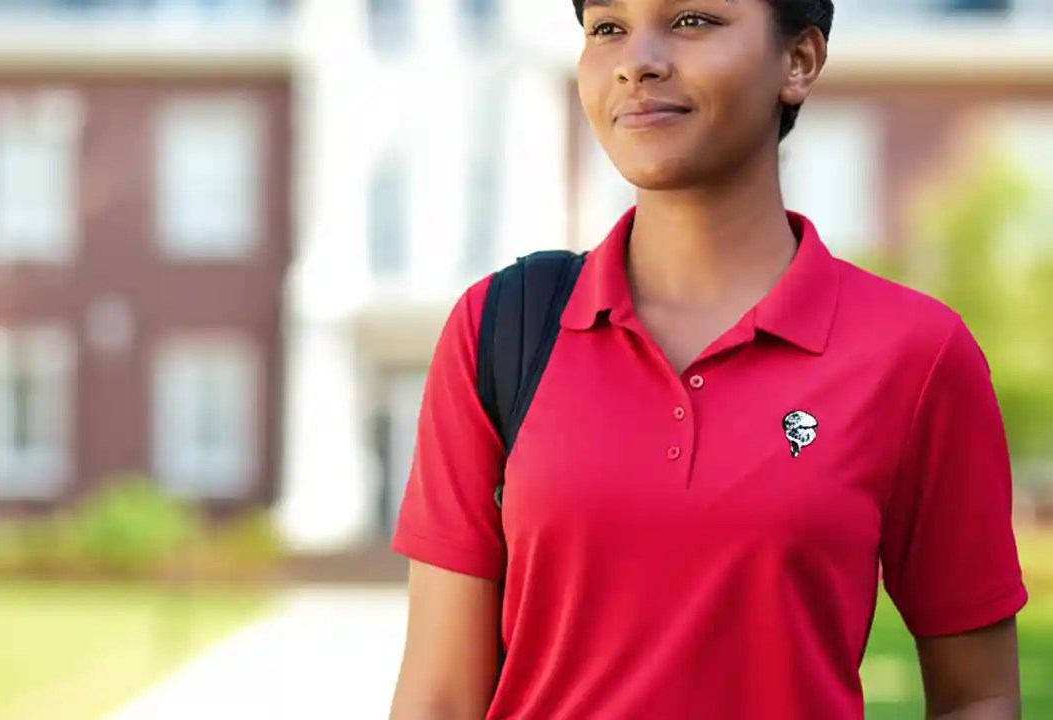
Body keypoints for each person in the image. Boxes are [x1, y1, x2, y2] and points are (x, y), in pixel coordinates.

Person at [388, 1, 1029, 718]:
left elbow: (981, 694)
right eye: (607, 28)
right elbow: (438, 698)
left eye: (692, 20)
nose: (639, 60)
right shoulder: (498, 330)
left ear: (800, 61)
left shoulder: (915, 355)